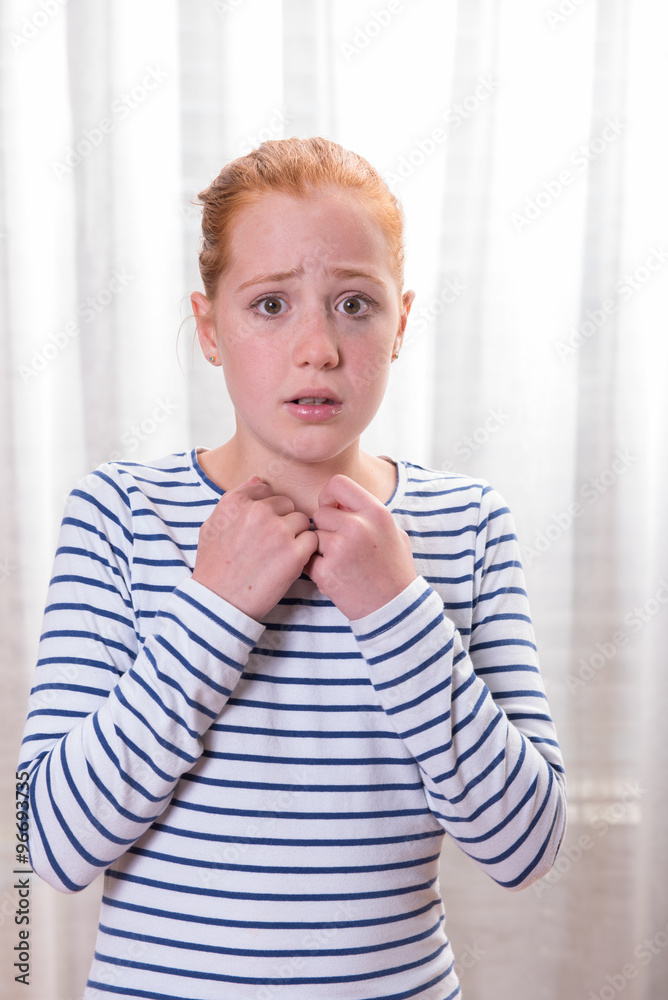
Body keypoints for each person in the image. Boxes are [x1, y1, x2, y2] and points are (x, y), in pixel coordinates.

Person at [18, 136, 567, 1000]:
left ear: (402, 323)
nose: (318, 347)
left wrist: (397, 609)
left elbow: (526, 849)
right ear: (209, 327)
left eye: (355, 303)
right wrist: (212, 610)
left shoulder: (467, 527)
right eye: (271, 306)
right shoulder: (119, 515)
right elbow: (46, 846)